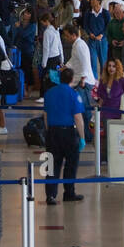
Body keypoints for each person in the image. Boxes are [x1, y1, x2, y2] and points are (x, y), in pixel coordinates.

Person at [43, 67, 85, 203]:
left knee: (52, 165)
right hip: (68, 133)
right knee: (71, 164)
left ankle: (50, 195)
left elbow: (45, 114)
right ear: (72, 79)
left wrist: (48, 130)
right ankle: (69, 193)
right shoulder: (73, 94)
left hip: (53, 132)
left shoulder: (49, 93)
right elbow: (78, 117)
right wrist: (82, 137)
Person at [95, 57, 124, 121]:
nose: (111, 68)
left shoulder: (122, 80)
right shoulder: (103, 81)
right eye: (109, 66)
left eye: (114, 66)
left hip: (119, 116)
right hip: (105, 114)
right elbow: (101, 99)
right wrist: (97, 111)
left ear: (117, 68)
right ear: (106, 67)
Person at [82, 0, 110, 78]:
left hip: (102, 40)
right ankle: (94, 81)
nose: (91, 1)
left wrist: (102, 34)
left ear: (98, 2)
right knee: (92, 61)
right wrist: (89, 33)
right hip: (92, 40)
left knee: (103, 61)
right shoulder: (88, 13)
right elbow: (85, 25)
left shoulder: (105, 13)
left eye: (93, 0)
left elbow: (108, 25)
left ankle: (103, 80)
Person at [13, 8, 39, 94]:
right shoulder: (21, 23)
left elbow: (24, 34)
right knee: (20, 68)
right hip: (19, 49)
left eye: (28, 13)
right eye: (25, 13)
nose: (25, 15)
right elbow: (17, 35)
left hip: (28, 49)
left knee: (28, 69)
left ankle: (30, 88)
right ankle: (23, 88)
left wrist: (18, 27)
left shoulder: (32, 25)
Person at [39, 11, 63, 94]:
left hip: (49, 58)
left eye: (42, 22)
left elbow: (46, 49)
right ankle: (54, 93)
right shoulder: (56, 30)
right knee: (54, 77)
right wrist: (62, 59)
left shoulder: (47, 32)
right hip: (57, 57)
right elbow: (60, 45)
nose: (41, 23)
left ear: (46, 21)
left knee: (45, 77)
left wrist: (44, 63)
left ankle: (43, 95)